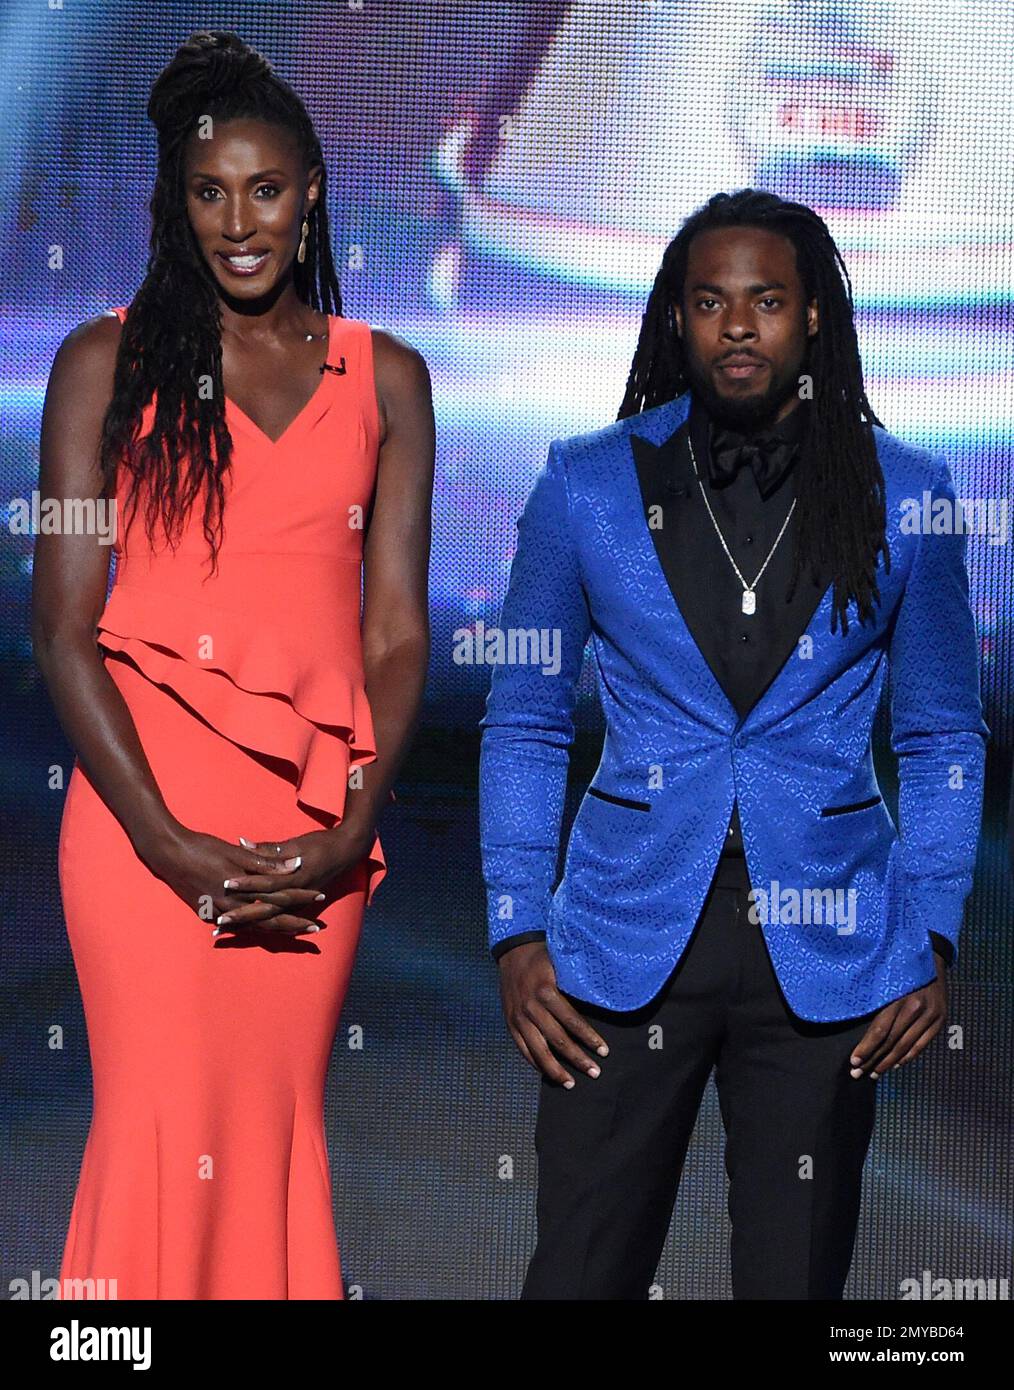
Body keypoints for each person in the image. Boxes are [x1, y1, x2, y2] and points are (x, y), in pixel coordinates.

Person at [479, 188, 988, 1300]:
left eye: (766, 298)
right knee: (576, 1276)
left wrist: (935, 935)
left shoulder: (908, 495)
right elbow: (523, 718)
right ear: (677, 319)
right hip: (621, 936)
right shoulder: (586, 484)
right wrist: (518, 927)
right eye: (711, 301)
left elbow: (945, 730)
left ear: (814, 318)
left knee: (794, 1281)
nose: (739, 324)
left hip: (829, 947)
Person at [33, 30, 433, 1300]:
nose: (240, 220)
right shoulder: (99, 365)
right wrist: (164, 840)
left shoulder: (391, 379)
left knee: (269, 1137)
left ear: (311, 190)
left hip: (312, 833)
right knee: (151, 1133)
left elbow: (396, 635)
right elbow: (61, 624)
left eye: (265, 188)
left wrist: (355, 823)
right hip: (139, 827)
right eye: (211, 192)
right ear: (176, 204)